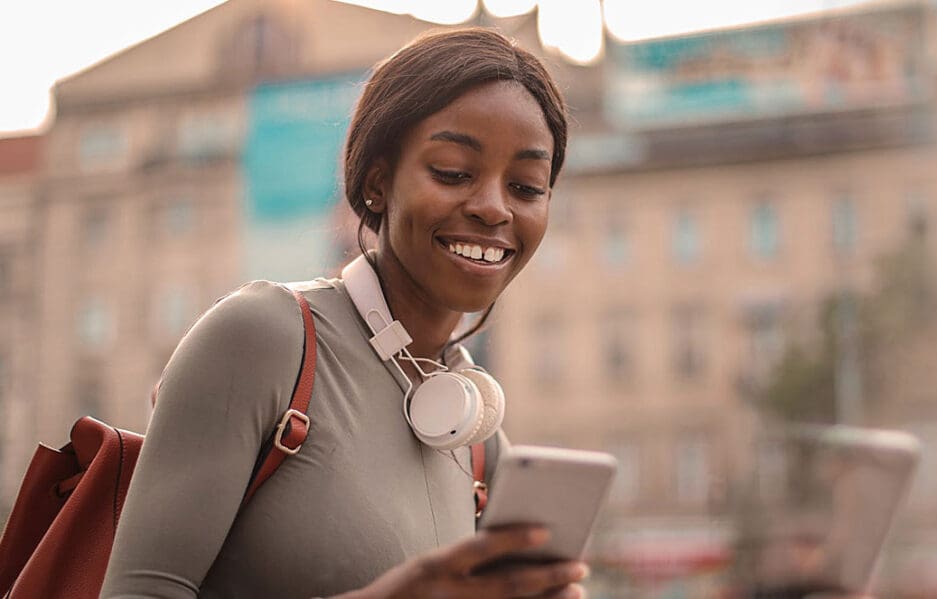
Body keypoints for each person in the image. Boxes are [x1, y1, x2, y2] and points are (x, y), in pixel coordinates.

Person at [102, 28, 584, 598]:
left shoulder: (479, 439)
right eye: (453, 172)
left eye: (527, 186)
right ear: (377, 182)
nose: (493, 208)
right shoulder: (261, 338)